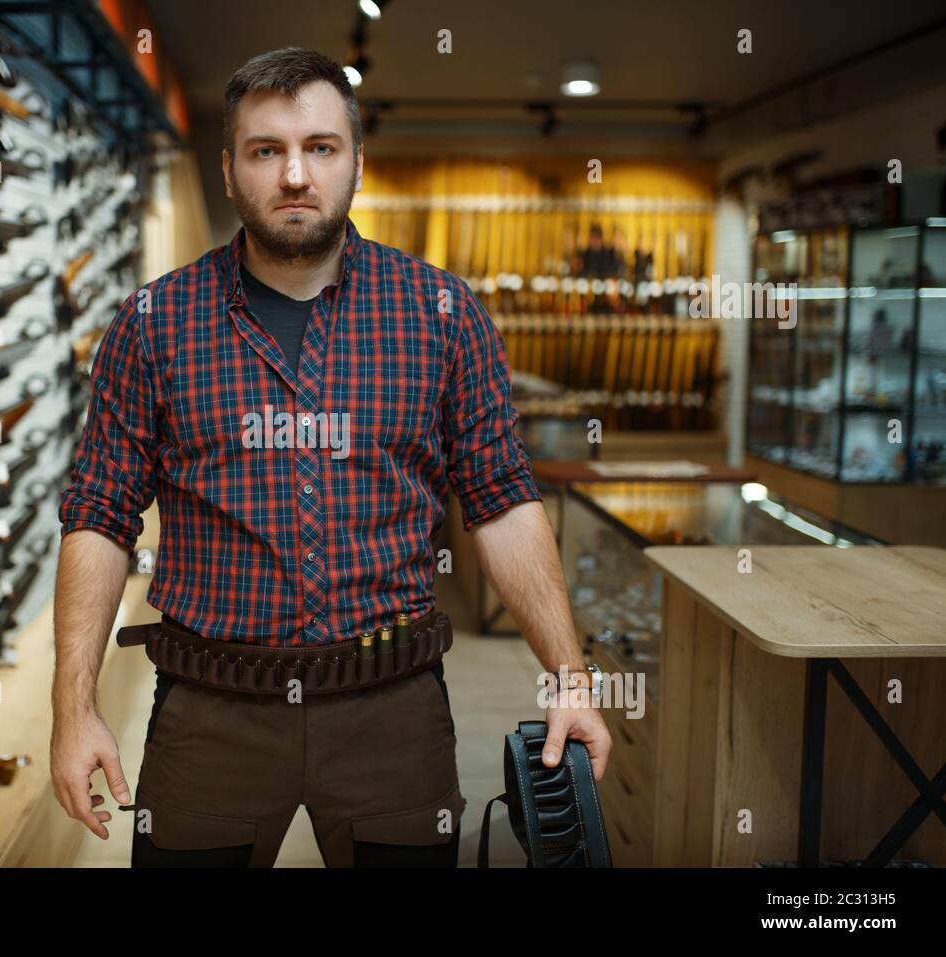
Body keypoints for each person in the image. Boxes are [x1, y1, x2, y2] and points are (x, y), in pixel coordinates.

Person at [50, 47, 611, 868]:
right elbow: (99, 514)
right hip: (212, 713)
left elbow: (502, 500)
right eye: (265, 150)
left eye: (320, 147)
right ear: (230, 169)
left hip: (392, 713)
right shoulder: (153, 323)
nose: (295, 175)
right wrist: (73, 706)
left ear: (356, 162)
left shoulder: (443, 314)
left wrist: (570, 677)